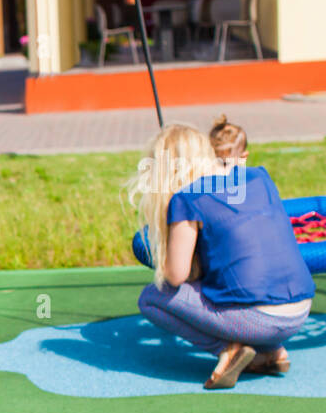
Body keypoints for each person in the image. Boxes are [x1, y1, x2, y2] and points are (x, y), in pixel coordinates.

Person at [131, 123, 314, 388]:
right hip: (300, 311)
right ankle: (270, 351)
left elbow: (175, 276)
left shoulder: (187, 199)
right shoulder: (258, 177)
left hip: (259, 320)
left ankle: (228, 349)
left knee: (152, 297)